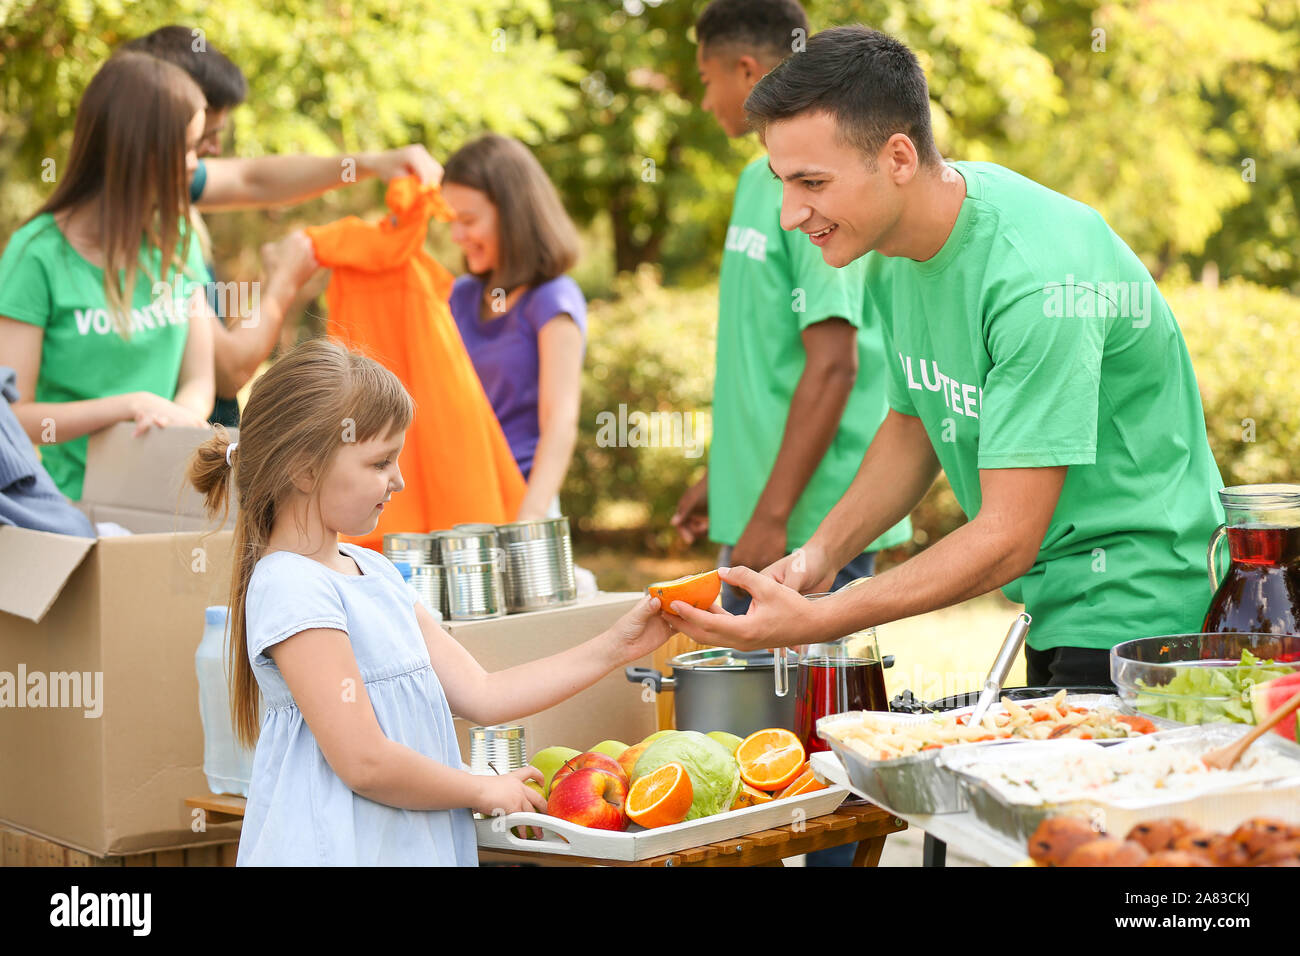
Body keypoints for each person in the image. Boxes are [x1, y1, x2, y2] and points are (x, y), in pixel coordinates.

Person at [666, 27, 1225, 689]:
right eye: (784, 183)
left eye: (812, 182)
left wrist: (827, 615)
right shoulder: (890, 253)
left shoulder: (1039, 280)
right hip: (1055, 607)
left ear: (898, 158)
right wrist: (816, 558)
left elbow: (1007, 534)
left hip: (1149, 616)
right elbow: (912, 427)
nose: (791, 214)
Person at [187, 339, 673, 866]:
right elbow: (364, 762)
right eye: (379, 462)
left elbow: (483, 693)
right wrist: (479, 790)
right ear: (304, 470)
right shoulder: (291, 587)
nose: (397, 480)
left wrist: (620, 645)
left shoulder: (371, 571)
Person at [673, 0, 911, 614]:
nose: (705, 101)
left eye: (707, 80)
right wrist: (724, 479)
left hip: (814, 521)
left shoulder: (818, 191)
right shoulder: (762, 184)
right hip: (761, 505)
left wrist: (772, 514)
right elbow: (765, 359)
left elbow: (834, 363)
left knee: (805, 707)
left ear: (746, 70)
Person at [120, 25, 443, 424]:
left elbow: (254, 178)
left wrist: (371, 164)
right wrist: (284, 279)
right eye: (203, 137)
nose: (212, 153)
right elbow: (228, 371)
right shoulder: (145, 230)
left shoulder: (167, 188)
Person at [0, 54, 219, 501]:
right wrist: (129, 406)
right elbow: (12, 419)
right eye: (188, 147)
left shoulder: (178, 239)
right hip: (73, 512)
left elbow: (200, 379)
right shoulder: (35, 256)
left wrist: (175, 425)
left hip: (169, 502)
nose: (197, 164)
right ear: (140, 153)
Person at [441, 134, 586, 522]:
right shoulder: (460, 296)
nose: (457, 236)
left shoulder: (552, 300)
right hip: (464, 501)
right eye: (452, 221)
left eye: (468, 220)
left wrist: (530, 519)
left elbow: (559, 422)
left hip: (524, 502)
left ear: (512, 214)